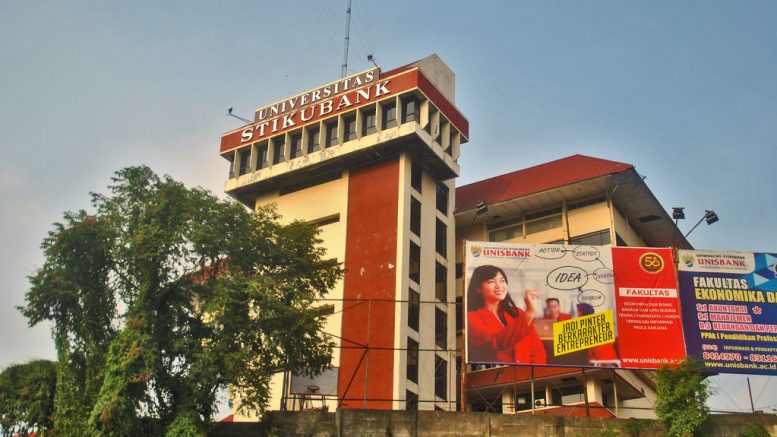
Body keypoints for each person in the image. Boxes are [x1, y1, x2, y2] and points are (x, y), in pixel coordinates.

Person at [467, 265, 547, 364]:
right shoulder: (471, 318)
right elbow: (495, 342)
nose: (499, 286)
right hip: (496, 373)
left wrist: (532, 372)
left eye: (502, 281)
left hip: (527, 373)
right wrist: (530, 313)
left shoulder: (518, 313)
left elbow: (538, 351)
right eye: (491, 281)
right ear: (478, 289)